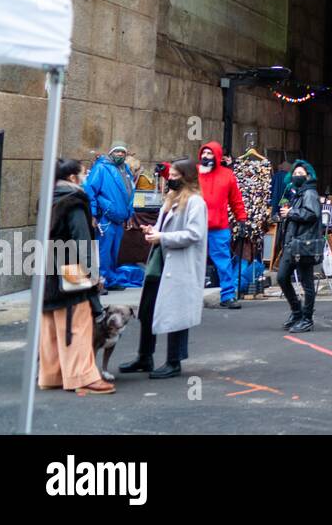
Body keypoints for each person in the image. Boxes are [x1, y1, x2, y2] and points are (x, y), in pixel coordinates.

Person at [120, 158, 208, 379]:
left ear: (187, 178)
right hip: (160, 261)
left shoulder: (196, 203)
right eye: (171, 175)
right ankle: (145, 356)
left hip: (179, 264)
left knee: (177, 313)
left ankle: (174, 361)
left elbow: (194, 234)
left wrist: (162, 237)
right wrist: (153, 230)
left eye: (176, 176)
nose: (171, 178)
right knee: (147, 309)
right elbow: (163, 228)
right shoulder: (171, 199)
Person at [40, 159, 114, 395]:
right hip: (71, 273)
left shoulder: (46, 199)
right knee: (77, 326)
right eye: (84, 173)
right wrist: (93, 275)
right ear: (73, 178)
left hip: (47, 271)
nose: (87, 176)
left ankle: (52, 375)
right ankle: (82, 377)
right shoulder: (73, 202)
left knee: (50, 326)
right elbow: (83, 241)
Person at [82, 141, 144, 289]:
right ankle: (101, 281)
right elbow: (90, 191)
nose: (120, 154)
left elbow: (129, 194)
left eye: (123, 152)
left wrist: (129, 215)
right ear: (111, 153)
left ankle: (109, 279)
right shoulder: (101, 168)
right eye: (117, 151)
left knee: (113, 251)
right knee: (104, 251)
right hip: (106, 217)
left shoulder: (125, 169)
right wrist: (94, 214)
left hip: (119, 218)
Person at [195, 141, 248, 308]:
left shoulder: (227, 175)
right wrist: (165, 169)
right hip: (196, 226)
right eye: (204, 153)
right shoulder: (195, 172)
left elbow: (236, 199)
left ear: (217, 156)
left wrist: (242, 219)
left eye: (210, 154)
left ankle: (228, 295)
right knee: (193, 262)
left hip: (218, 227)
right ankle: (191, 294)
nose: (205, 156)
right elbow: (176, 174)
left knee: (223, 263)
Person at [277, 159, 325, 333]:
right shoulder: (299, 193)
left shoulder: (309, 193)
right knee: (282, 277)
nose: (297, 176)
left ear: (308, 176)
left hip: (305, 243)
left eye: (301, 174)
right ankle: (297, 312)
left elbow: (312, 214)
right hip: (294, 244)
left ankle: (307, 318)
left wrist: (291, 212)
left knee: (307, 282)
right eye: (295, 173)